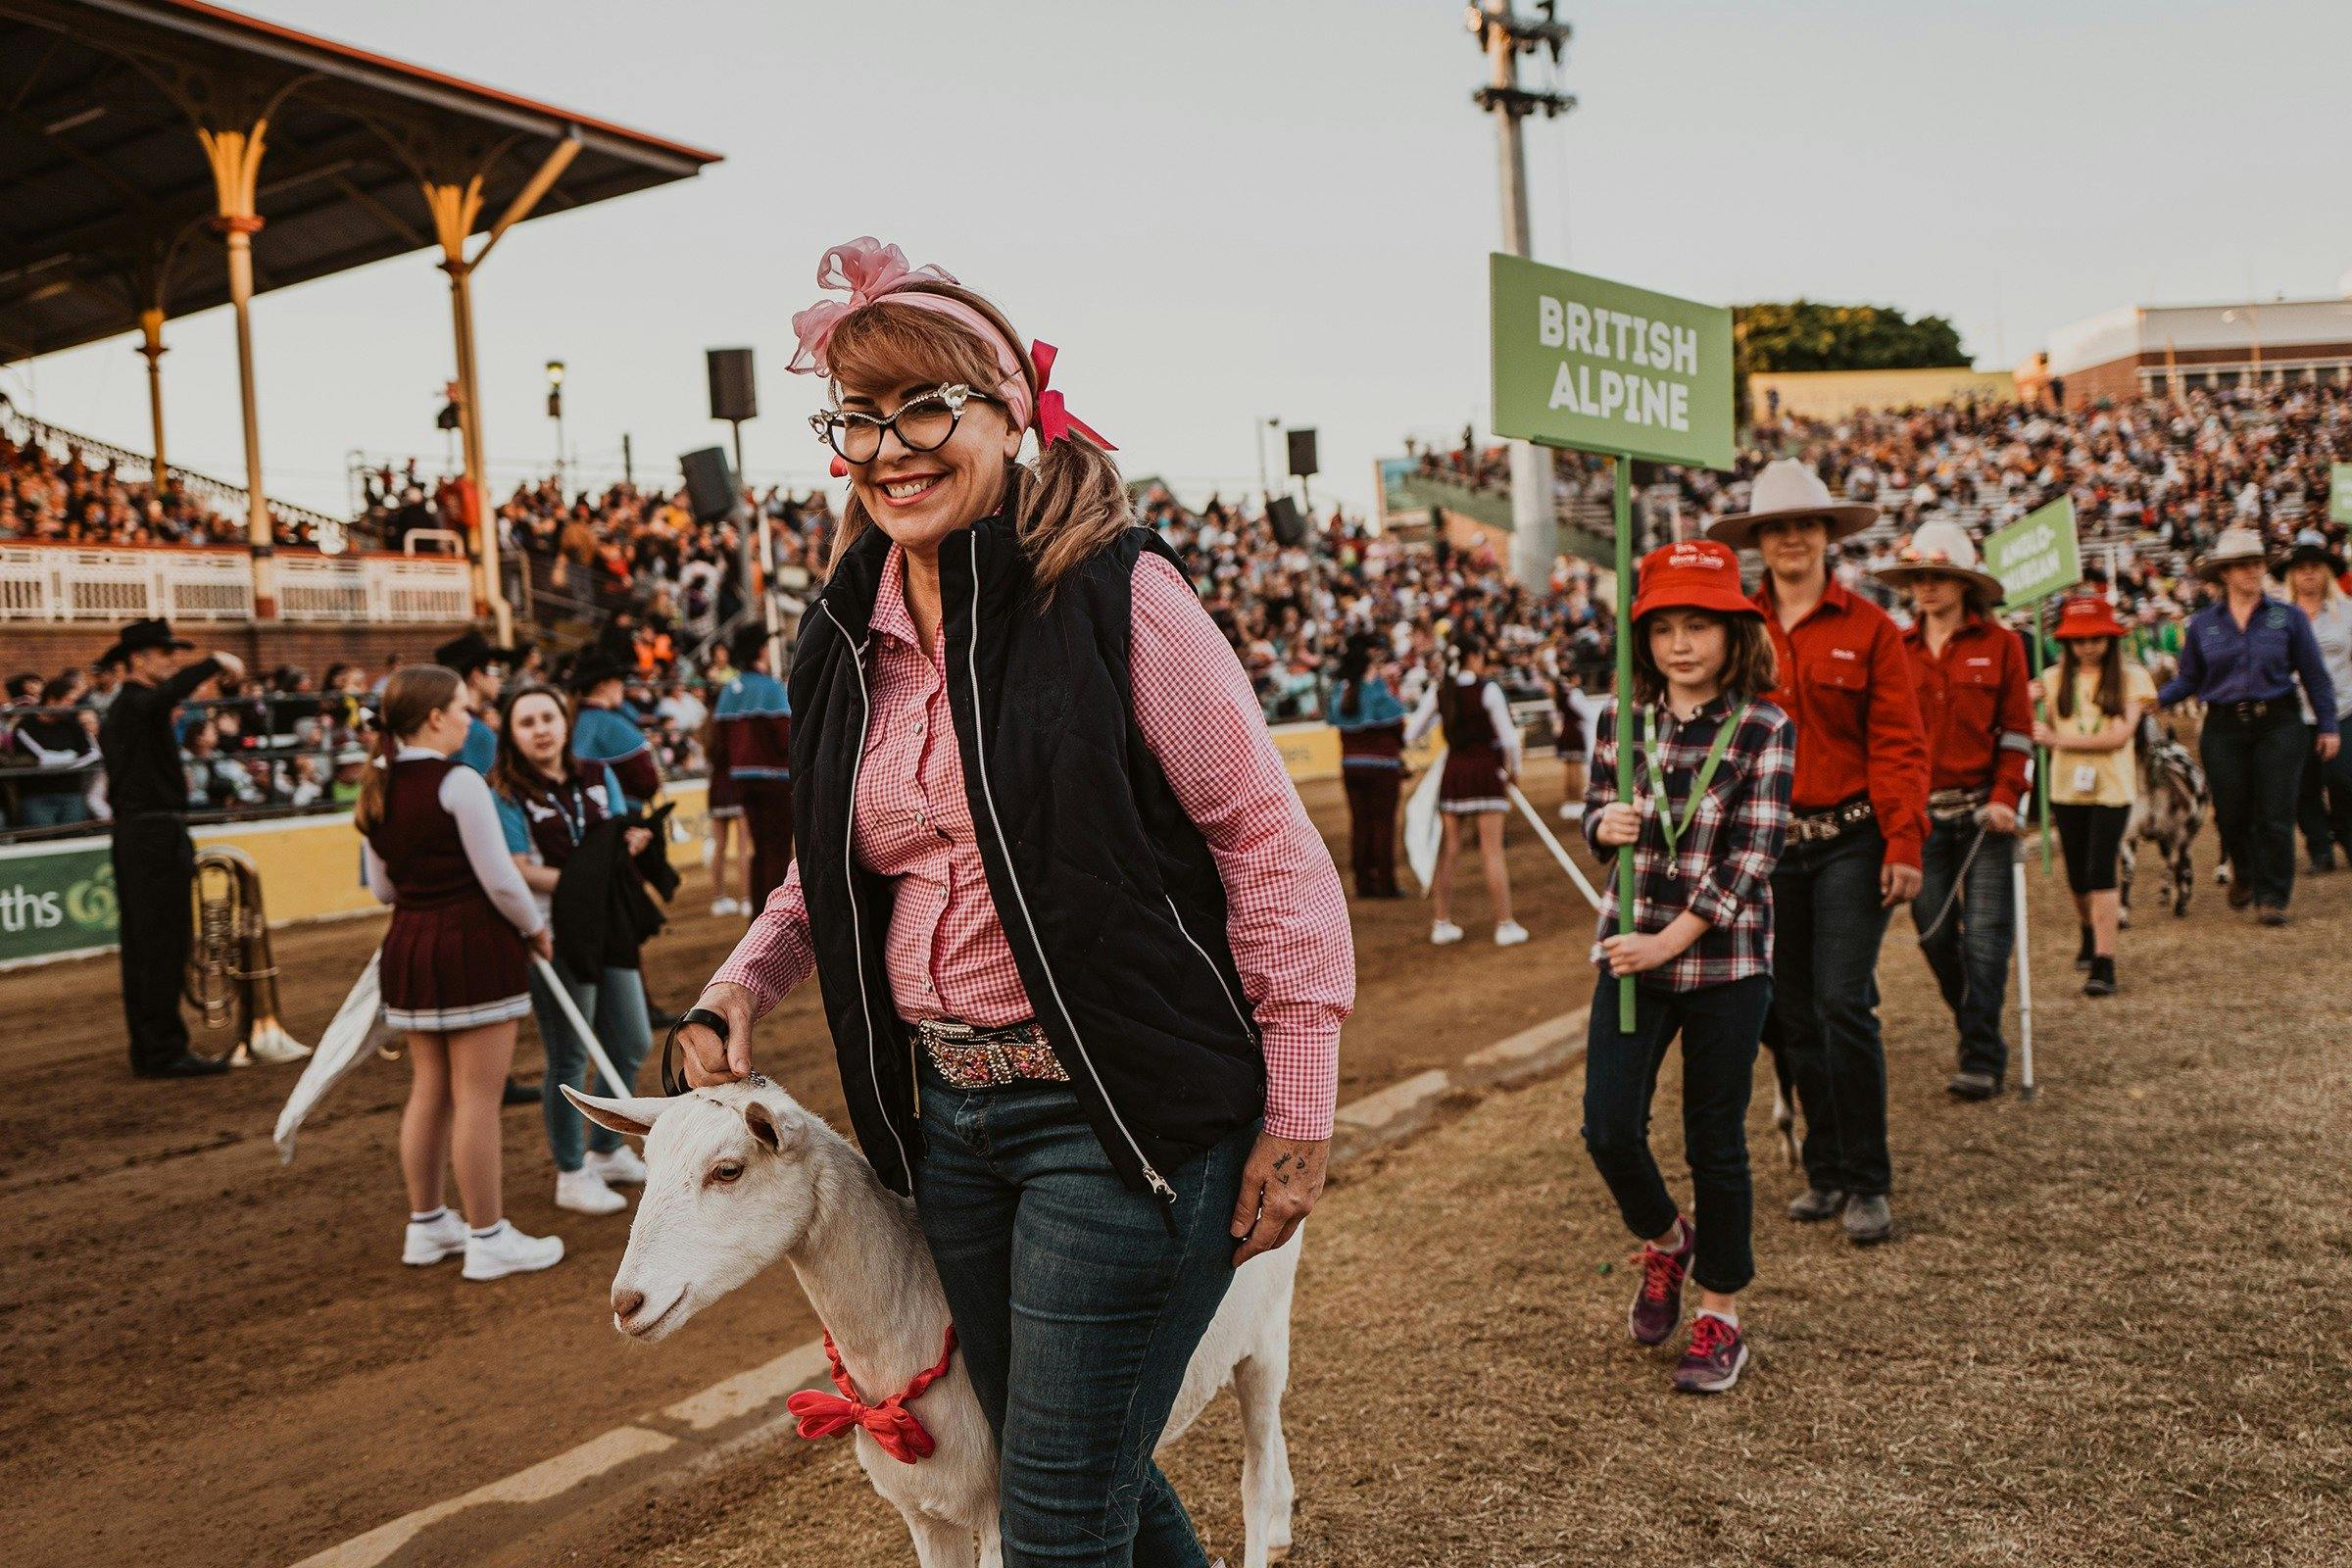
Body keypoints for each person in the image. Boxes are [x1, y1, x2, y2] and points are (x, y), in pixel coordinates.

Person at [673, 236, 1351, 1567]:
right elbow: (833, 863)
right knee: (1084, 1470)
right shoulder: (841, 633)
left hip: (1126, 1121)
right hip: (954, 1134)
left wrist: (1303, 1108)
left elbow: (1269, 845)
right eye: (860, 417)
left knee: (1051, 1523)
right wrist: (737, 981)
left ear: (1009, 417)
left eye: (926, 408)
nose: (892, 447)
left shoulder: (1117, 594)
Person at [1580, 539, 1793, 1396]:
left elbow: (1752, 859)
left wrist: (1668, 942)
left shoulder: (1764, 727)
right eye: (1664, 626)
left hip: (1726, 965)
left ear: (1732, 631)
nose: (1680, 643)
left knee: (1717, 1142)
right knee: (1607, 1127)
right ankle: (1669, 1242)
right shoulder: (1618, 720)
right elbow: (1595, 817)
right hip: (1629, 953)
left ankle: (1722, 1316)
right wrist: (1607, 827)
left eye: (1698, 624)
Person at [1708, 459, 1928, 1247]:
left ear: (1828, 535)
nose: (1792, 538)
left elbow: (1900, 742)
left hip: (1851, 839)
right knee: (1792, 1013)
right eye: (1777, 527)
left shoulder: (1871, 628)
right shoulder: (1736, 629)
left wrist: (1905, 839)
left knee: (1842, 1002)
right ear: (1760, 542)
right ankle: (1825, 1169)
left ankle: (1869, 1178)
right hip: (1768, 849)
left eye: (1806, 524)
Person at [358, 664, 564, 1280]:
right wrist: (535, 929)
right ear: (435, 718)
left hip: (409, 947)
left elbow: (382, 889)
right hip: (472, 947)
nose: (471, 718)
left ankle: (426, 1225)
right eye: (462, 708)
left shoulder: (378, 784)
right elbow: (500, 879)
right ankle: (487, 1234)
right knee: (477, 1096)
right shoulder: (460, 783)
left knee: (431, 1091)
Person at [1873, 522, 2033, 1098]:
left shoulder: (2005, 646)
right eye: (1920, 577)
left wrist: (2005, 795)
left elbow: (2017, 732)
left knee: (1987, 936)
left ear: (1966, 584)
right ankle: (1975, 1023)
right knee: (1934, 932)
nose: (1929, 587)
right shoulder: (1895, 647)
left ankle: (1981, 1054)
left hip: (1985, 814)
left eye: (1940, 576)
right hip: (1920, 817)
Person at [490, 683, 656, 1216]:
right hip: (553, 933)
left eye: (547, 717)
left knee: (630, 1038)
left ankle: (605, 1148)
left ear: (564, 722)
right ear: (512, 735)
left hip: (608, 925)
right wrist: (585, 880)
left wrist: (631, 840)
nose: (540, 729)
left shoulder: (595, 773)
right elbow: (516, 867)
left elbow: (614, 833)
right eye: (527, 722)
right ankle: (570, 1169)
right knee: (570, 1053)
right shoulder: (507, 792)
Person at [2156, 525, 2338, 925]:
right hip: (2223, 726)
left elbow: (2315, 675)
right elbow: (2190, 679)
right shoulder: (2204, 625)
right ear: (2224, 573)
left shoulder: (2287, 618)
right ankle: (2245, 869)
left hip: (2279, 722)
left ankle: (2272, 894)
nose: (2251, 572)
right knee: (2232, 812)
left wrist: (2328, 725)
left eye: (2256, 563)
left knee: (2275, 809)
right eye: (2241, 566)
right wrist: (2154, 700)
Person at [95, 618, 244, 1078]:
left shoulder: (133, 707)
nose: (171, 660)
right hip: (152, 834)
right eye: (164, 653)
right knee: (160, 944)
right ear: (137, 659)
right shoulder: (136, 703)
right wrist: (213, 662)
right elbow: (165, 696)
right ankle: (161, 1049)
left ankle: (154, 1047)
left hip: (147, 832)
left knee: (151, 945)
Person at [2034, 596, 2157, 995]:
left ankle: (2105, 960)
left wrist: (2056, 740)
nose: (2088, 647)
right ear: (2066, 644)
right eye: (2079, 640)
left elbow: (2119, 736)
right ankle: (2087, 929)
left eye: (2096, 638)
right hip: (2067, 787)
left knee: (2100, 868)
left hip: (2111, 787)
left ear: (2110, 638)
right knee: (2076, 872)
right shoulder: (2052, 680)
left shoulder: (2132, 678)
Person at [1405, 634, 1528, 947]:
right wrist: (1515, 772)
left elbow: (1412, 731)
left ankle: (1441, 922)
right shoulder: (1488, 690)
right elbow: (1510, 740)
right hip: (1486, 771)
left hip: (1455, 773)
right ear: (1474, 657)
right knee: (1491, 849)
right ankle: (1504, 923)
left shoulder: (1441, 689)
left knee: (1448, 850)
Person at [2273, 530, 2352, 873]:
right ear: (2292, 574)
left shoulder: (2347, 611)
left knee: (2343, 779)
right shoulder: (2277, 616)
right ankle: (2319, 847)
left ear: (2327, 573)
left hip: (2343, 707)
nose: (2309, 573)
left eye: (2315, 567)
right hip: (2293, 712)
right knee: (2302, 784)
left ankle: (2348, 837)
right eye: (2302, 568)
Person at [710, 623, 794, 912]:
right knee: (778, 851)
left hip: (742, 780)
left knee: (761, 850)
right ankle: (776, 916)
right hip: (775, 779)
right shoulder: (770, 688)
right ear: (760, 650)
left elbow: (718, 741)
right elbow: (786, 738)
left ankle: (760, 914)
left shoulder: (728, 691)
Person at [1328, 630, 1407, 899]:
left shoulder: (1342, 689)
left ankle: (1363, 883)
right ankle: (1386, 884)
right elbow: (1397, 723)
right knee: (1383, 824)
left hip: (1351, 766)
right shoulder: (1376, 687)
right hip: (1382, 767)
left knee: (1360, 824)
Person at [568, 648, 662, 810]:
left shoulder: (577, 720)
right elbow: (647, 782)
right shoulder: (609, 723)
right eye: (619, 681)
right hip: (619, 814)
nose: (623, 687)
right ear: (603, 685)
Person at [12, 673, 99, 829]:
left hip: (71, 794)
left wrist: (66, 761)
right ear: (52, 699)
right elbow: (44, 760)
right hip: (37, 796)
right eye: (68, 701)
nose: (72, 707)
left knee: (74, 839)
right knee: (41, 841)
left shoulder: (72, 725)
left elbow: (93, 754)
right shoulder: (26, 726)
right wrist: (71, 756)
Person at [434, 631, 514, 775]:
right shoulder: (476, 732)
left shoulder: (451, 723)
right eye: (496, 671)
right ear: (476, 676)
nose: (499, 679)